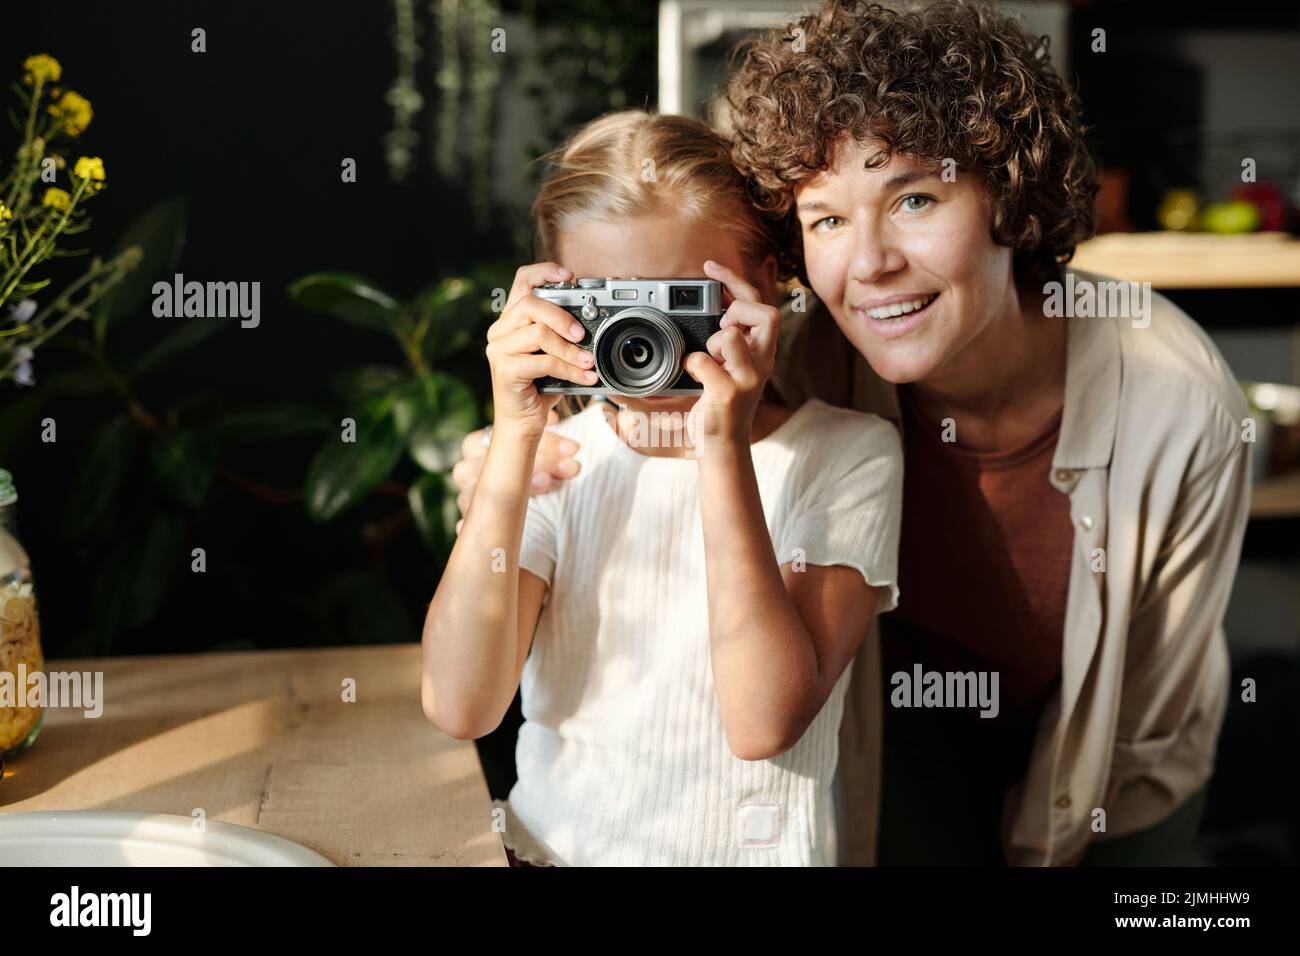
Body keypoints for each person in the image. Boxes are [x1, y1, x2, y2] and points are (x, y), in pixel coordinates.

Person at [453, 0, 1252, 867]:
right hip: (896, 740)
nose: (869, 263)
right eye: (827, 218)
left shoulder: (1179, 400)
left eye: (913, 198)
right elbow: (635, 438)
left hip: (1113, 775)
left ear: (1008, 195)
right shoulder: (780, 361)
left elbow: (1143, 704)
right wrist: (496, 474)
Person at [423, 110, 902, 866]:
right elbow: (461, 705)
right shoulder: (554, 462)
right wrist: (513, 435)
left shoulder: (847, 458)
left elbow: (762, 724)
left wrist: (720, 446)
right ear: (557, 303)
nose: (643, 343)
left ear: (764, 288)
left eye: (679, 305)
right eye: (614, 307)